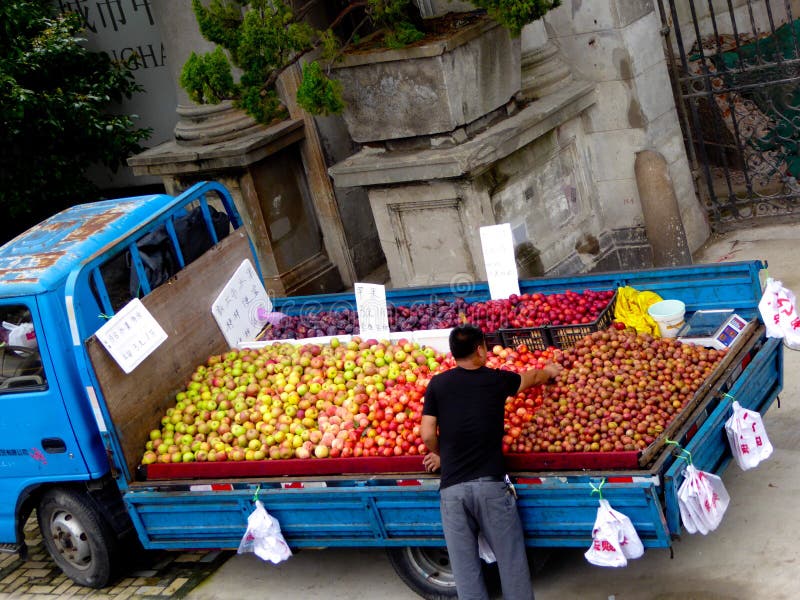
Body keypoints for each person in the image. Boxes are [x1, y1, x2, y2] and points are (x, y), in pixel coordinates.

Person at [421, 324, 562, 600]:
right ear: (479, 349)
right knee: (511, 561)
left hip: (452, 492)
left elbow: (427, 433)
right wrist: (549, 372)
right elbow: (530, 378)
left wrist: (441, 454)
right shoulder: (495, 380)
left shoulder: (437, 384)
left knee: (465, 569)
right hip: (490, 488)